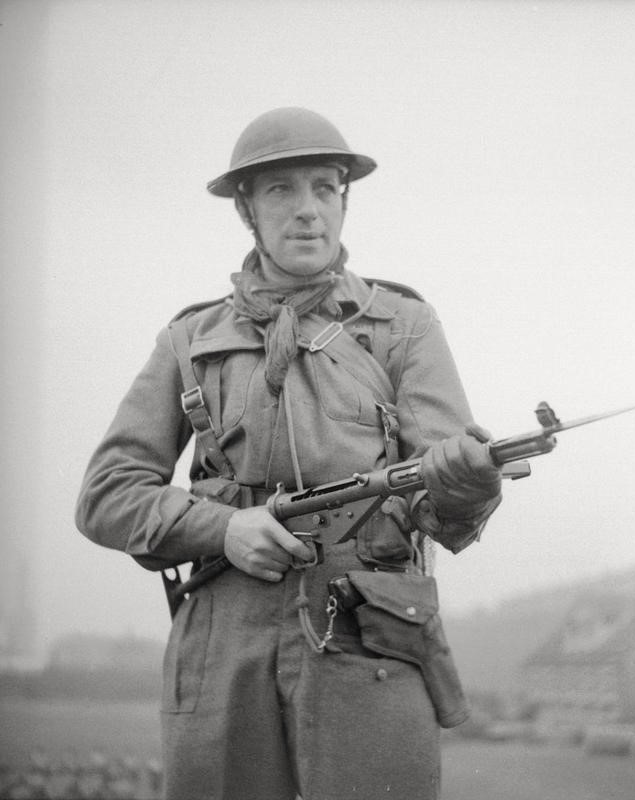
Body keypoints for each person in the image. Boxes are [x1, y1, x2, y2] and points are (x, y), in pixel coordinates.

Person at [75, 107, 502, 800]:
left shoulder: (404, 327)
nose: (307, 212)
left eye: (324, 188)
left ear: (344, 199)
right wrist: (224, 528)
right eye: (281, 190)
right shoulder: (188, 340)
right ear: (246, 208)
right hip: (223, 642)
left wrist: (468, 484)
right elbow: (105, 496)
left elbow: (440, 509)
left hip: (371, 636)